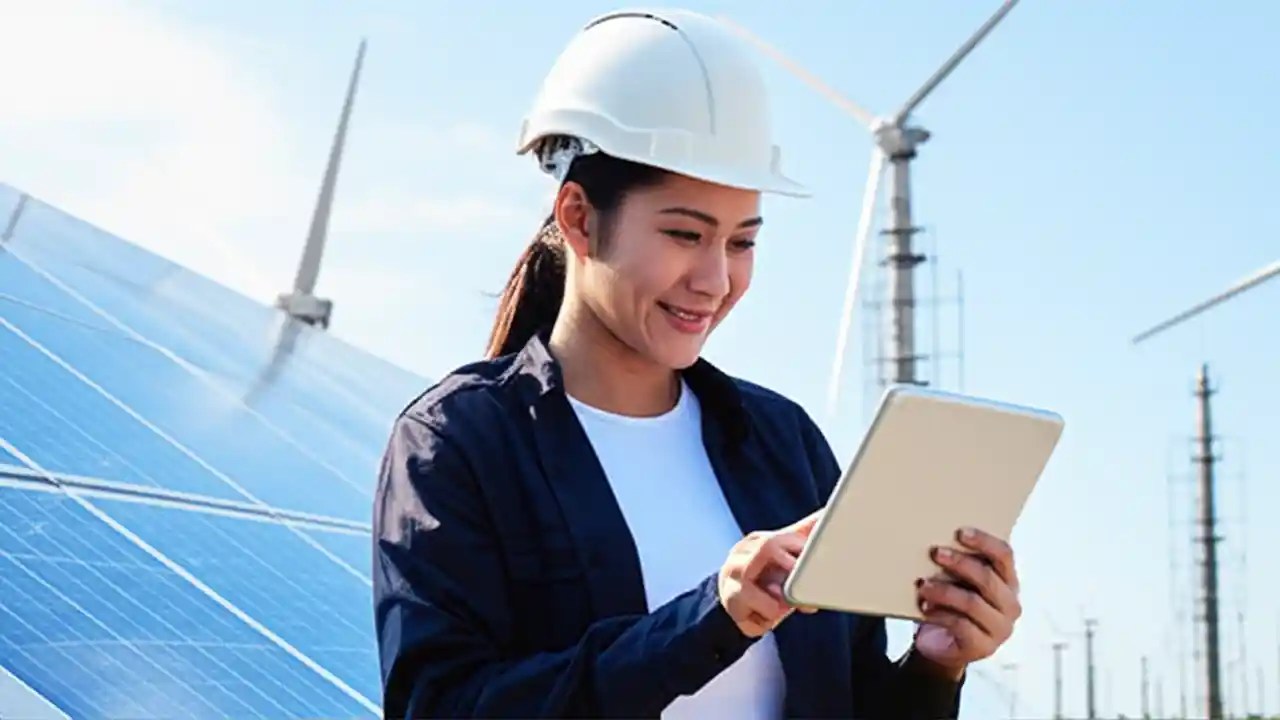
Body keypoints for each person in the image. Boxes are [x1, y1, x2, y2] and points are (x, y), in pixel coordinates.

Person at [372, 8, 1022, 719]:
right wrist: (711, 618)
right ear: (580, 217)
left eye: (743, 242)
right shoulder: (458, 443)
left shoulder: (784, 444)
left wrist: (937, 665)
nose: (715, 280)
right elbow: (442, 708)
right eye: (685, 233)